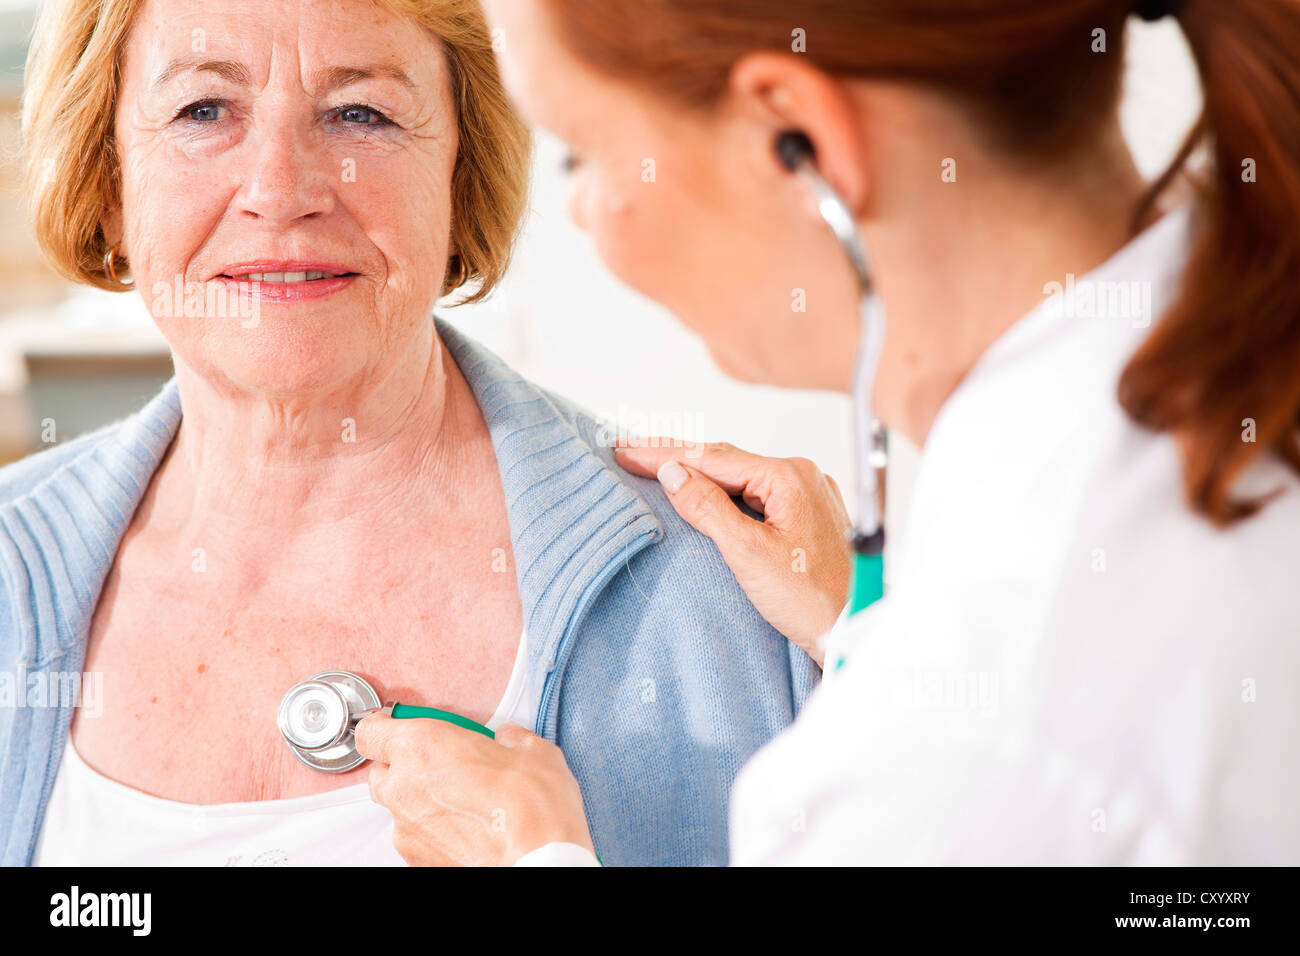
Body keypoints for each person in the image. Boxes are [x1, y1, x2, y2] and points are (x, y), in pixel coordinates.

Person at [354, 0, 1300, 865]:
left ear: (798, 137)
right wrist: (856, 631)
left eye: (586, 155)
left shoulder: (957, 756)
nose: (588, 216)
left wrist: (537, 858)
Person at [0, 0, 826, 868]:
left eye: (361, 112)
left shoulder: (733, 601)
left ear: (461, 178)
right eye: (204, 111)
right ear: (108, 188)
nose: (281, 190)